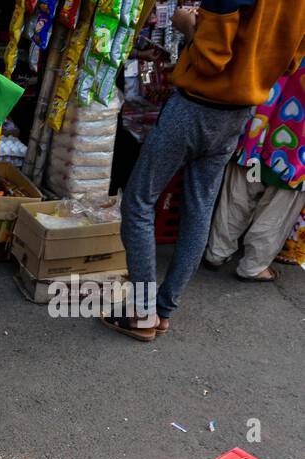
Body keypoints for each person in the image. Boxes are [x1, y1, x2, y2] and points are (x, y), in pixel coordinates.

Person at [109, 0, 305, 341]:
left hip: (196, 106)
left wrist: (188, 24)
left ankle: (143, 312)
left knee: (139, 201)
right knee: (199, 209)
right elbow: (289, 61)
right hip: (240, 110)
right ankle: (163, 309)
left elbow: (211, 59)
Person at [204, 63, 305, 281]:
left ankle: (217, 252)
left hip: (257, 137)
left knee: (241, 193)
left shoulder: (286, 28)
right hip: (294, 154)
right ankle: (252, 267)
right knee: (276, 209)